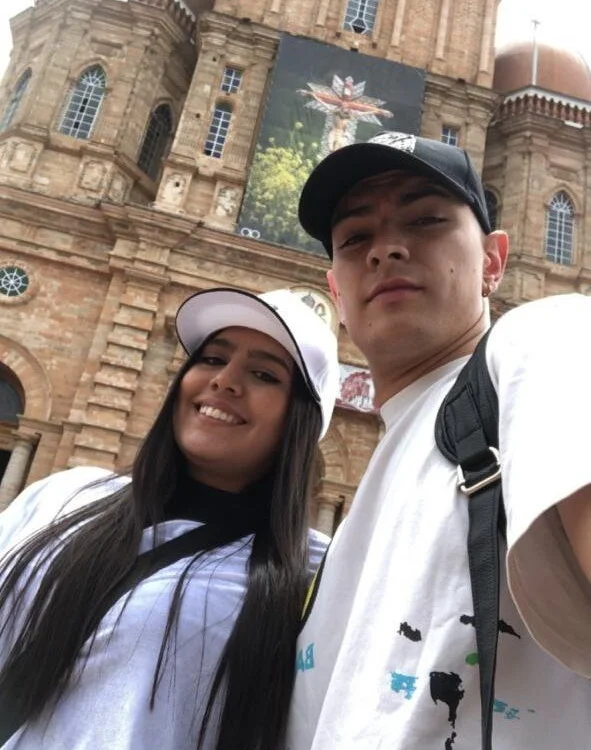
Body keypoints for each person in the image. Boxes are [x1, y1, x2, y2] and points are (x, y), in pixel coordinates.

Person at [287, 131, 591, 749]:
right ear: (336, 294)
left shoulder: (540, 344)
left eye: (426, 220)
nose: (386, 249)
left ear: (493, 262)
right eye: (355, 238)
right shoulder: (362, 514)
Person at [0, 286, 340, 750]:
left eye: (264, 374)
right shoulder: (65, 495)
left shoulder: (314, 577)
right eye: (213, 359)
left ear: (299, 420)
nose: (225, 381)